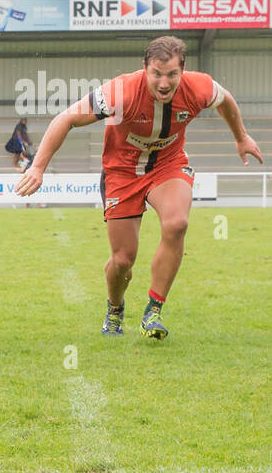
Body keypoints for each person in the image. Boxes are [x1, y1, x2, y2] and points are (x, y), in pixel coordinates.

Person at [16, 35, 263, 339]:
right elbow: (66, 118)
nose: (164, 82)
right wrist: (38, 167)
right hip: (122, 172)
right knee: (123, 260)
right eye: (157, 74)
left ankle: (154, 310)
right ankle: (115, 308)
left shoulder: (199, 87)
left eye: (172, 74)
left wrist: (241, 137)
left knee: (177, 223)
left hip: (168, 165)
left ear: (182, 70)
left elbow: (226, 101)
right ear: (144, 68)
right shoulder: (120, 92)